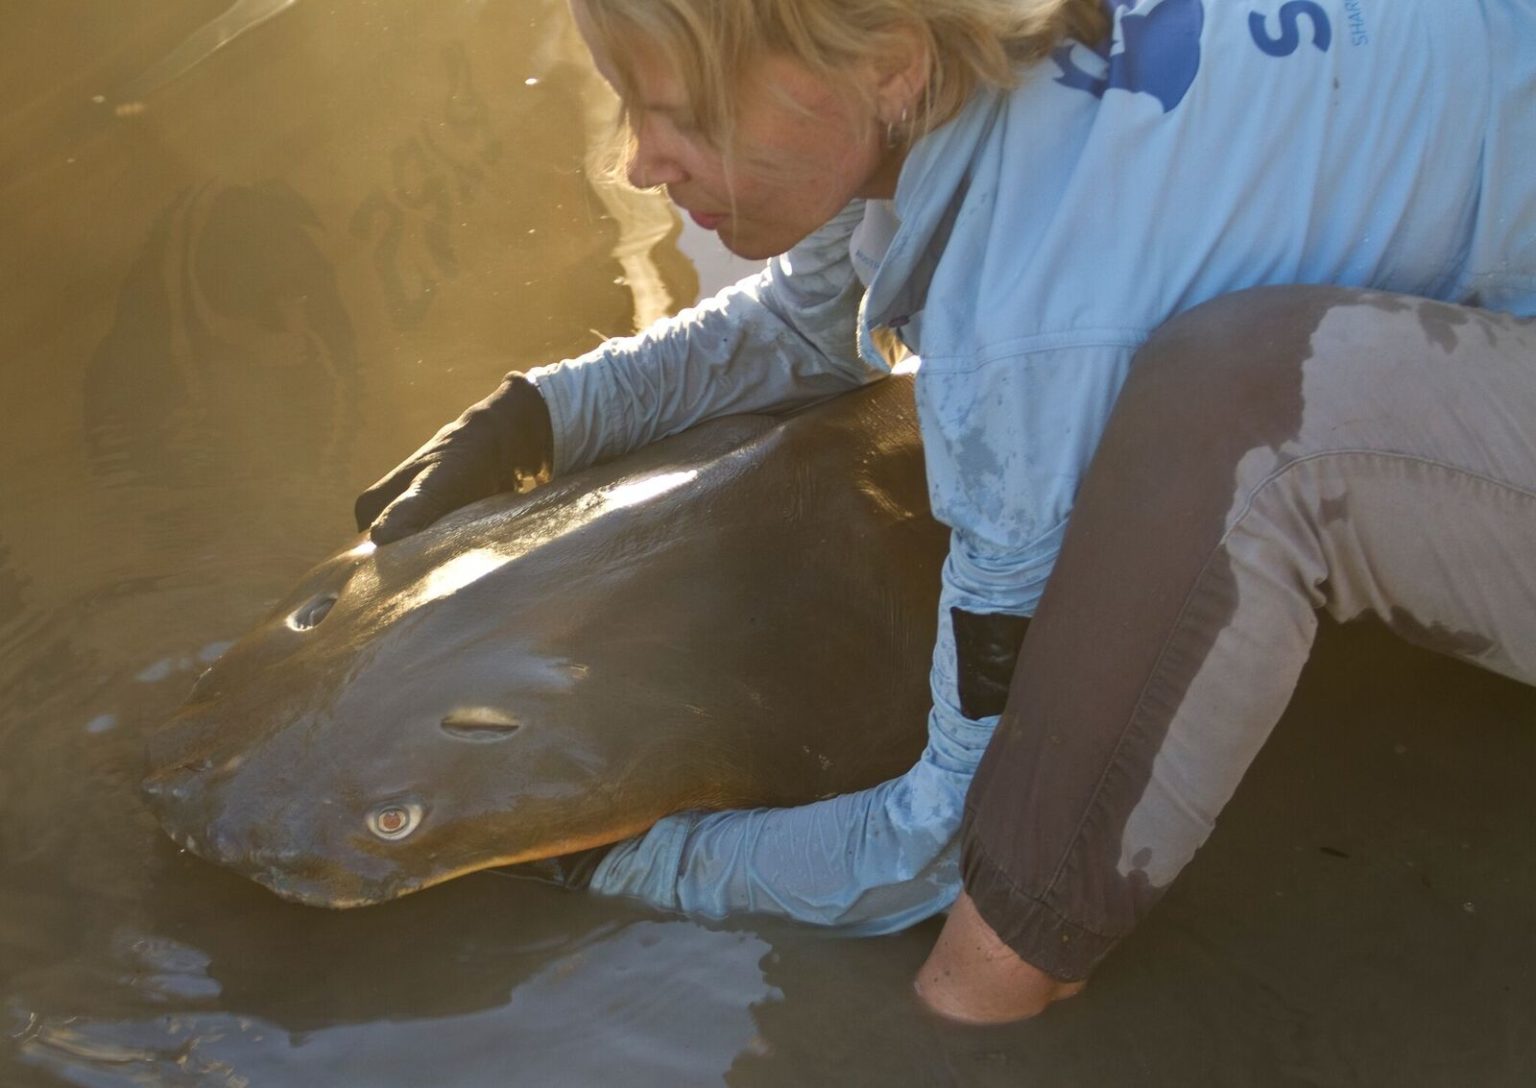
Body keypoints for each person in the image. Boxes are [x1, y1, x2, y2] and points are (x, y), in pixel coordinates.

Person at [353, 0, 1536, 1023]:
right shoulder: (979, 53)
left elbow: (936, 832)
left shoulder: (1027, 341)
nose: (636, 165)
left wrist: (638, 861)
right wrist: (540, 416)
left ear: (892, 67)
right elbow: (807, 319)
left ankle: (998, 998)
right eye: (628, 106)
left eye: (687, 118)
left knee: (1246, 407)